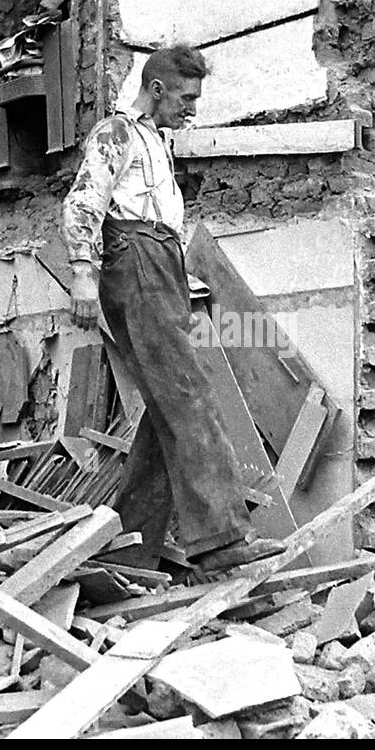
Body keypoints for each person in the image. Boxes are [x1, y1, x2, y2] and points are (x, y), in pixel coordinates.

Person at [61, 44, 283, 575]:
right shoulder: (115, 133)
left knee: (166, 407)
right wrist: (83, 274)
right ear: (156, 89)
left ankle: (130, 550)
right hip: (133, 260)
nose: (192, 109)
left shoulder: (157, 142)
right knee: (189, 390)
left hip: (158, 262)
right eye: (186, 98)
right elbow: (83, 200)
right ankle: (221, 537)